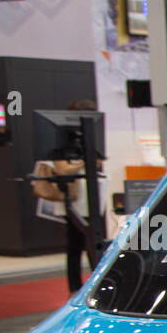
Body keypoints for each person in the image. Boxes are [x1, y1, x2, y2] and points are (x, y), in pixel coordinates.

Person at [31, 98, 104, 292]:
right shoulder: (61, 145)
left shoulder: (91, 141)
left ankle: (97, 283)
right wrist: (84, 163)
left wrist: (83, 162)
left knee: (93, 243)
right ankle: (74, 287)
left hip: (93, 198)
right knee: (75, 244)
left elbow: (98, 163)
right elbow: (64, 168)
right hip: (74, 199)